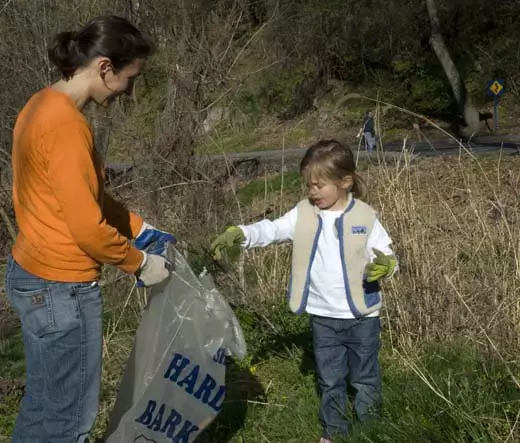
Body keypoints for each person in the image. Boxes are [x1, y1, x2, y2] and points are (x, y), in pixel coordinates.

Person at [5, 15, 174, 443]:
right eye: (129, 78)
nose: (130, 90)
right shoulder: (66, 126)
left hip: (31, 274)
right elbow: (86, 229)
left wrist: (139, 228)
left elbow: (83, 199)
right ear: (104, 68)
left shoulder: (40, 105)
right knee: (67, 422)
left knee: (44, 408)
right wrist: (139, 264)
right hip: (63, 288)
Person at [211, 139, 397, 442]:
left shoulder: (365, 216)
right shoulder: (304, 215)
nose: (312, 192)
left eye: (319, 185)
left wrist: (387, 265)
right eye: (308, 186)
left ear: (345, 181)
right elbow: (272, 229)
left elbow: (386, 253)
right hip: (323, 317)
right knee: (330, 379)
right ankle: (334, 431)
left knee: (365, 378)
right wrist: (242, 234)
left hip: (363, 317)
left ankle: (369, 429)